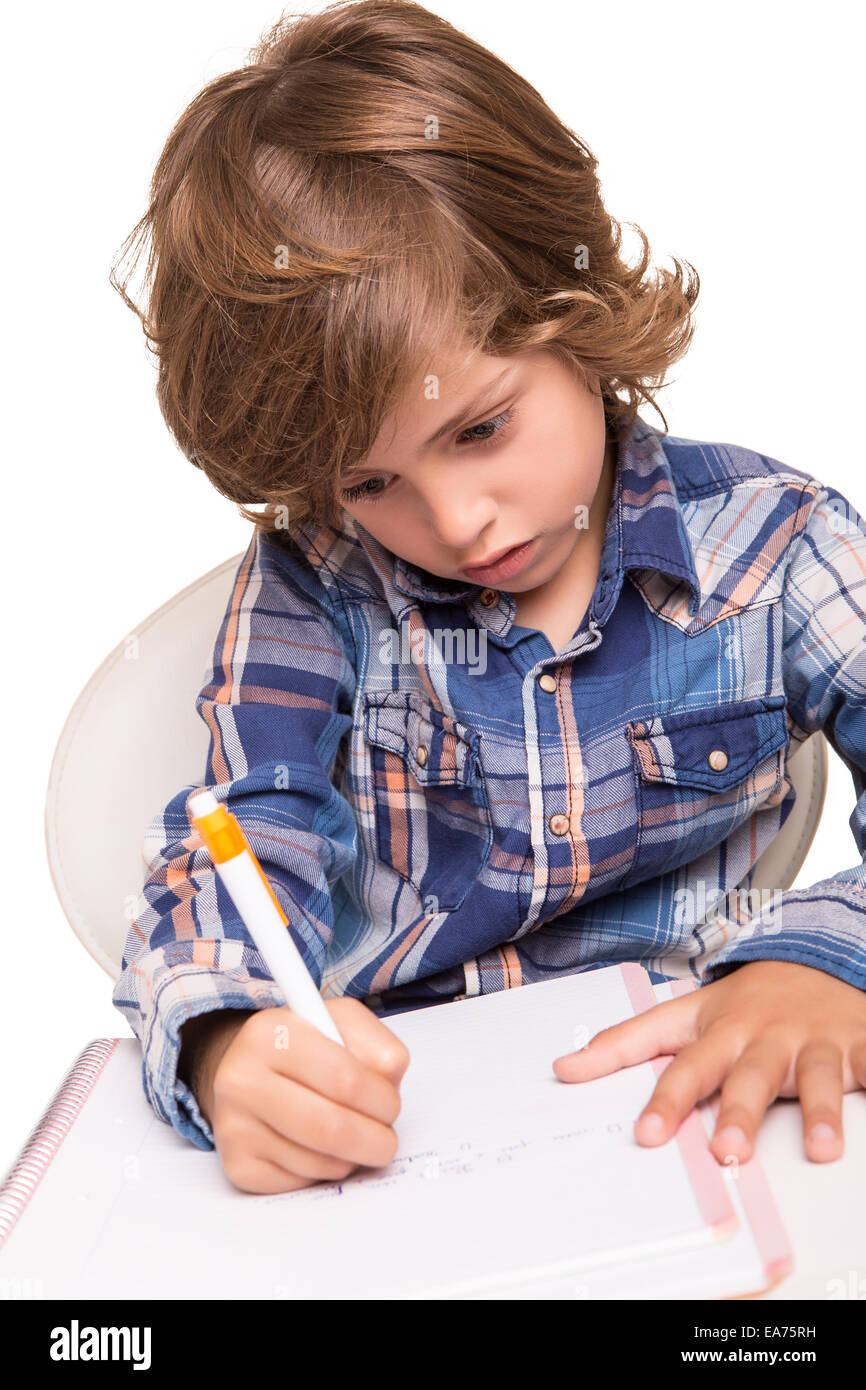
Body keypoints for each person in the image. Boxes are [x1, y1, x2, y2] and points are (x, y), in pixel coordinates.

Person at [110, 0, 866, 1194]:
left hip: (688, 1119)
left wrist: (823, 960)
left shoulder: (774, 546)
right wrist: (221, 1043)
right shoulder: (317, 589)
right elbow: (240, 848)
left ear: (572, 316)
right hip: (404, 1148)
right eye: (372, 480)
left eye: (481, 427)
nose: (457, 521)